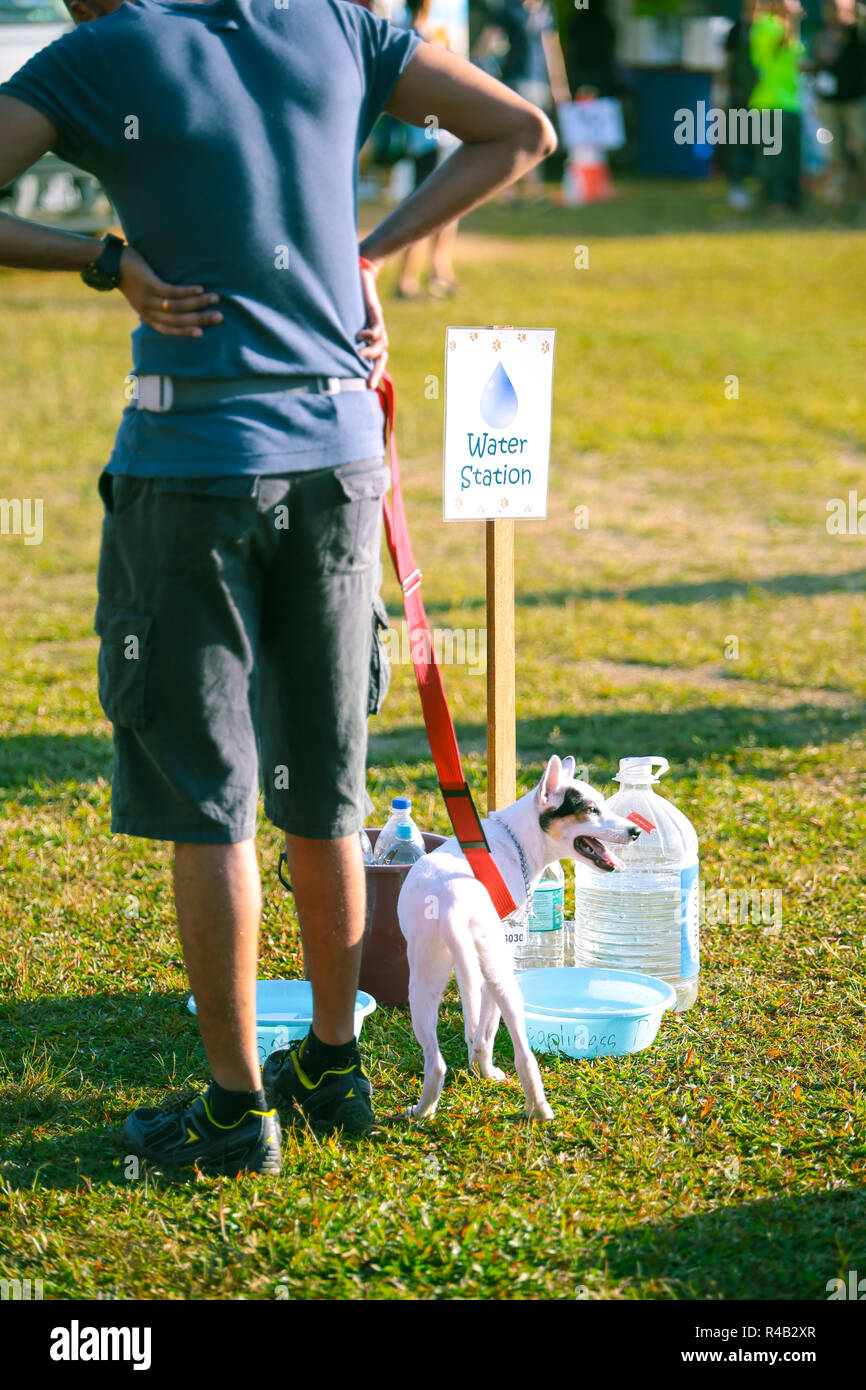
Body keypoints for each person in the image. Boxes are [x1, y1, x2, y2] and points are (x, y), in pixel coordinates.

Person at [0, 0, 555, 1174]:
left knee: (209, 796)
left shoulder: (104, 55)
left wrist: (105, 262)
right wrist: (369, 253)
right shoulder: (340, 27)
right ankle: (333, 1064)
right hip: (338, 461)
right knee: (323, 776)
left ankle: (233, 1106)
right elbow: (519, 132)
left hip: (191, 465)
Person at [395, 0, 460, 300]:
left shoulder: (416, 33)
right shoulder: (414, 37)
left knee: (447, 207)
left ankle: (439, 272)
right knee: (425, 208)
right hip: (428, 138)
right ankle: (406, 281)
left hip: (436, 136)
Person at [750, 0, 806, 211]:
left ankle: (791, 202)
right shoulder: (764, 24)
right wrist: (793, 18)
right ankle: (772, 202)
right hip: (768, 104)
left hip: (792, 104)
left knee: (791, 159)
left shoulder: (789, 28)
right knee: (773, 160)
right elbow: (780, 44)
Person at [813, 0, 866, 207]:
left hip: (856, 102)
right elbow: (822, 59)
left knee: (862, 149)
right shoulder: (823, 36)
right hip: (830, 102)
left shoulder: (858, 32)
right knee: (835, 155)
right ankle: (838, 203)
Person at [724, 0, 759, 209]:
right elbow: (728, 60)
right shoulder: (737, 29)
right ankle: (736, 186)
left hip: (763, 98)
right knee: (737, 141)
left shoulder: (767, 27)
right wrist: (726, 87)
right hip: (739, 96)